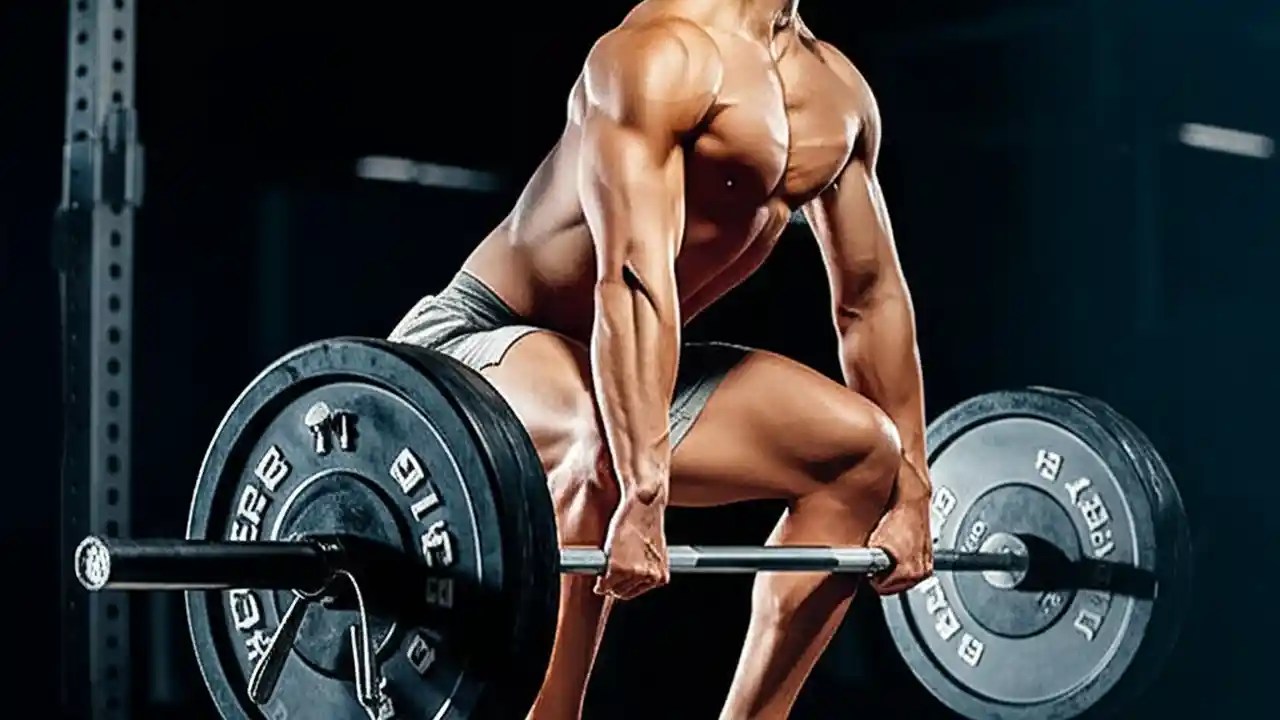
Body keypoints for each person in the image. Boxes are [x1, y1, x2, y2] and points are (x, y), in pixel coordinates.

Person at [389, 0, 933, 717]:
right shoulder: (657, 54)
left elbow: (871, 299)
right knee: (598, 442)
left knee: (862, 454)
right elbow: (631, 277)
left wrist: (914, 489)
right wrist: (643, 490)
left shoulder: (837, 93)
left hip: (624, 367)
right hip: (466, 353)